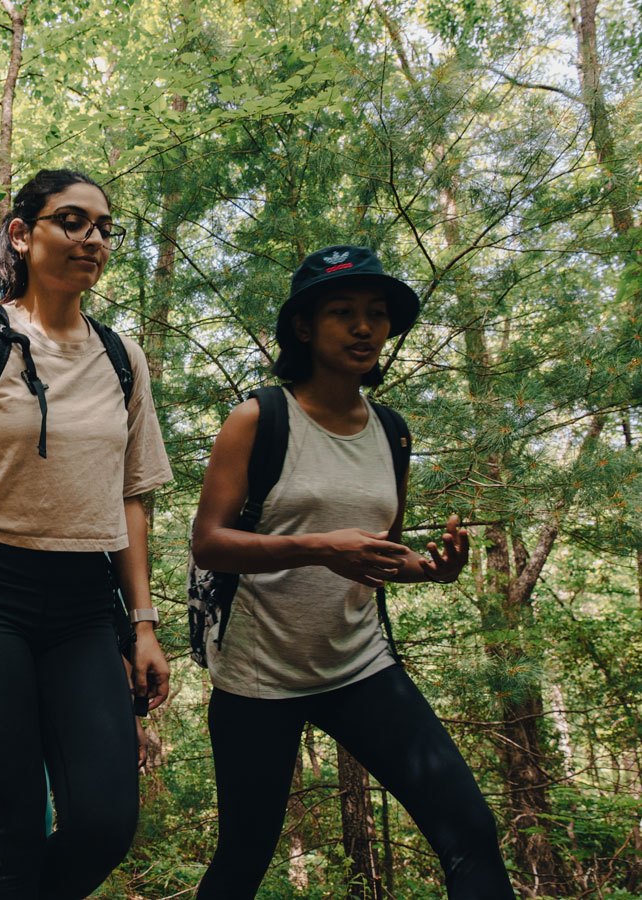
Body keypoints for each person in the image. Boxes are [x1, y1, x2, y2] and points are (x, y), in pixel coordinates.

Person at [190, 245, 515, 898]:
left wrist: (430, 571)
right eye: (342, 312)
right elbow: (209, 543)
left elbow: (377, 556)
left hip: (359, 666)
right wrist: (319, 547)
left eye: (377, 314)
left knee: (471, 833)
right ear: (305, 328)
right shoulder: (259, 418)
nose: (364, 327)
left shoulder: (391, 433)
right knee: (244, 860)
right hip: (259, 674)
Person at [0, 168, 173, 898]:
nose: (93, 238)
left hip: (84, 606)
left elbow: (131, 500)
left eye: (105, 227)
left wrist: (142, 624)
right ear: (23, 233)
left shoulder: (122, 358)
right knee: (13, 832)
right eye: (72, 221)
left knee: (106, 824)